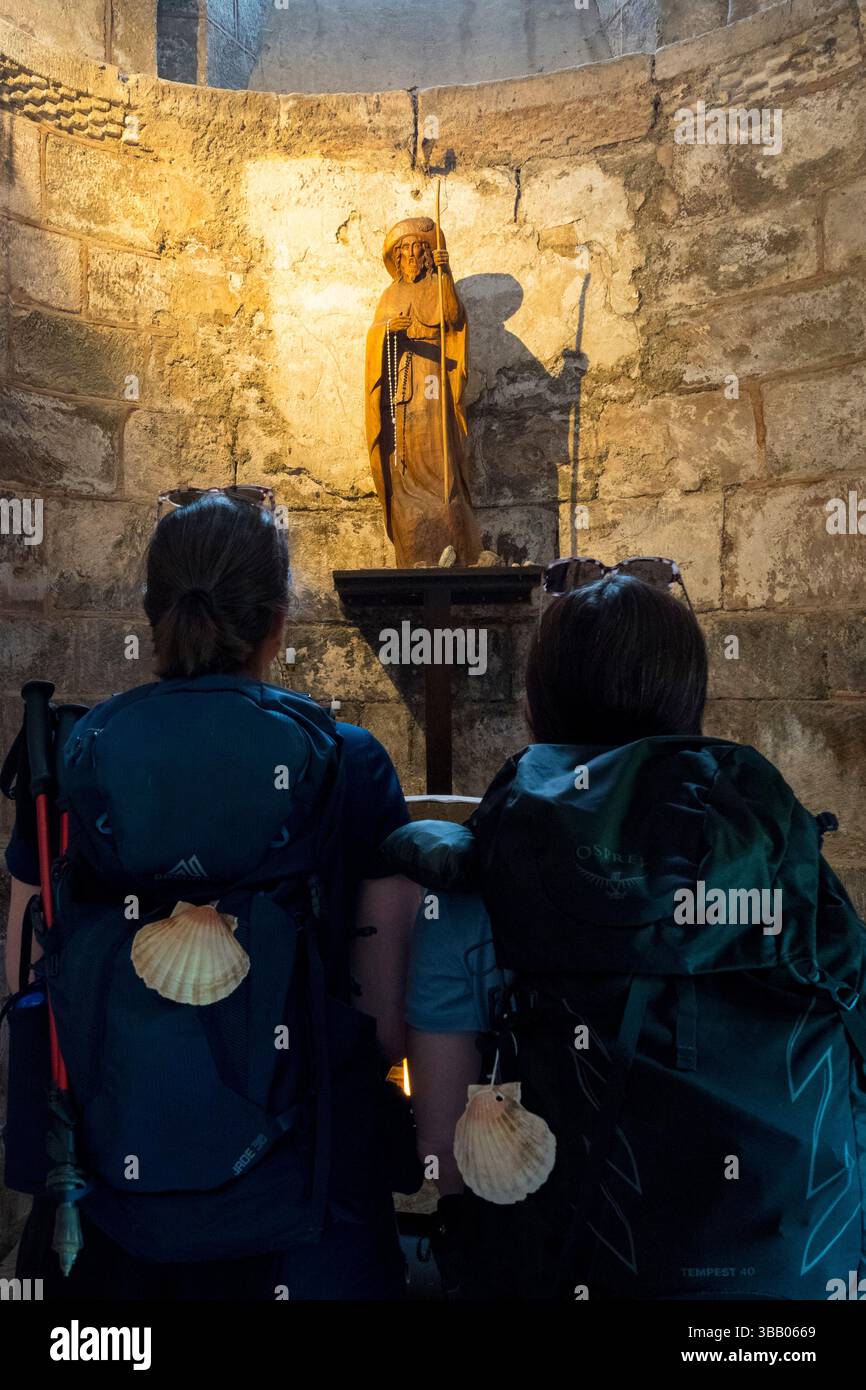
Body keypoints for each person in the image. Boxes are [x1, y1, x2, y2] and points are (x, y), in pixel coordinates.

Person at [389, 559, 866, 1301]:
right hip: (788, 1287)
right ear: (689, 695)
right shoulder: (776, 863)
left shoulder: (474, 890)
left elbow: (443, 1164)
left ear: (535, 702)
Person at [4, 486, 420, 1299]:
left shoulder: (69, 756)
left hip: (105, 1237)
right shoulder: (350, 760)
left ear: (152, 613)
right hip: (309, 1235)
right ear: (277, 622)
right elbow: (391, 1026)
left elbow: (22, 977)